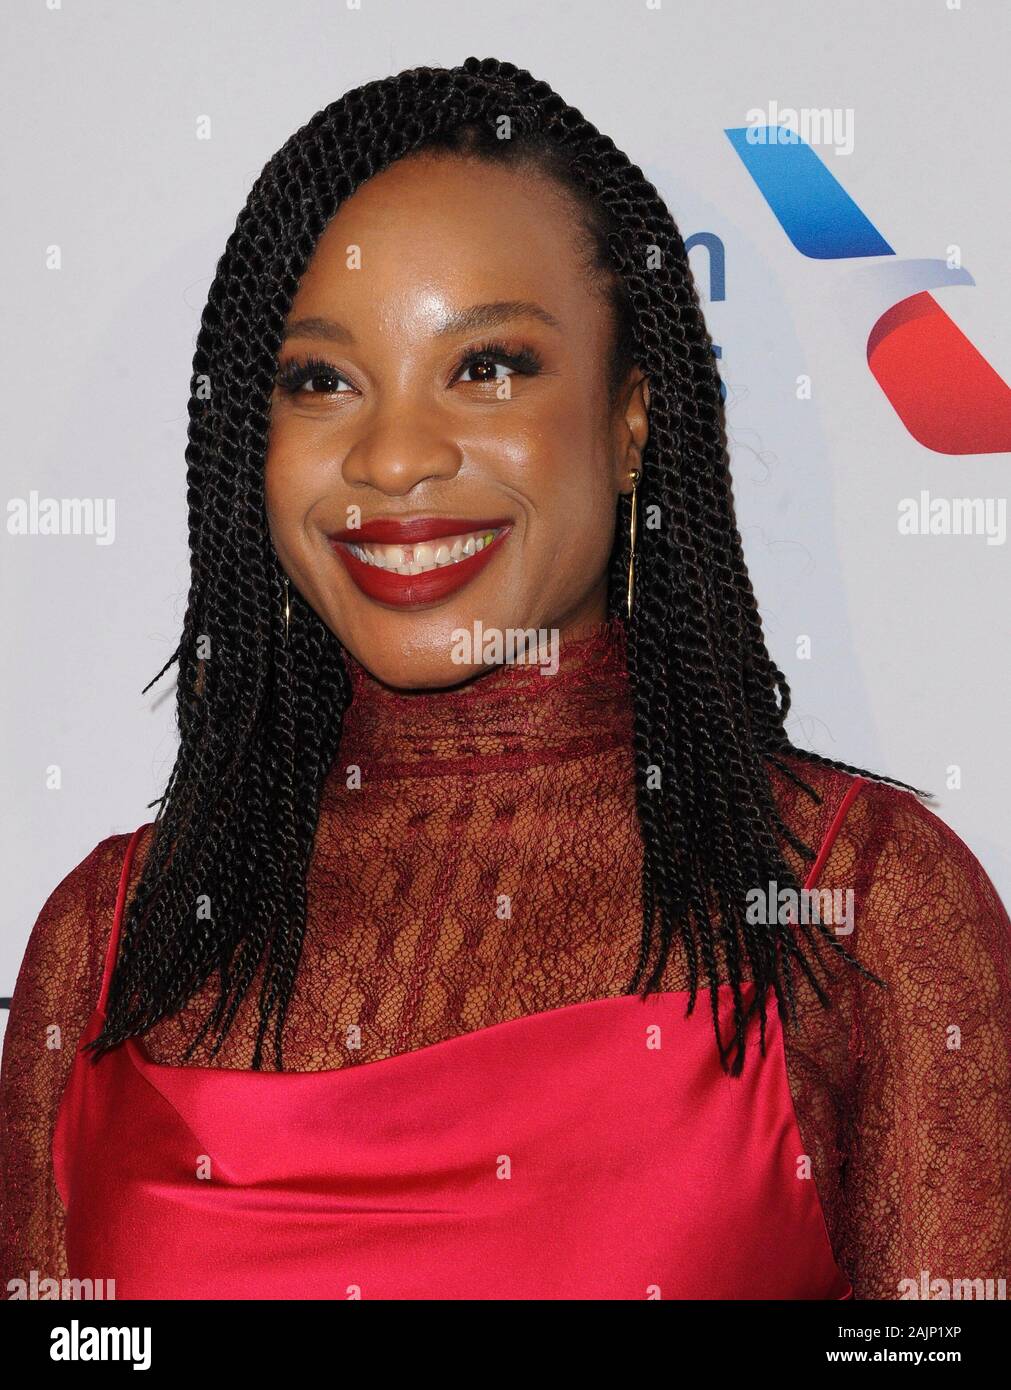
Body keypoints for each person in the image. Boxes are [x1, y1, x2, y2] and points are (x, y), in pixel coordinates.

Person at [2, 56, 1009, 1302]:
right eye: (321, 381)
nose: (393, 459)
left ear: (633, 417)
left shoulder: (860, 908)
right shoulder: (107, 941)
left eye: (488, 367)